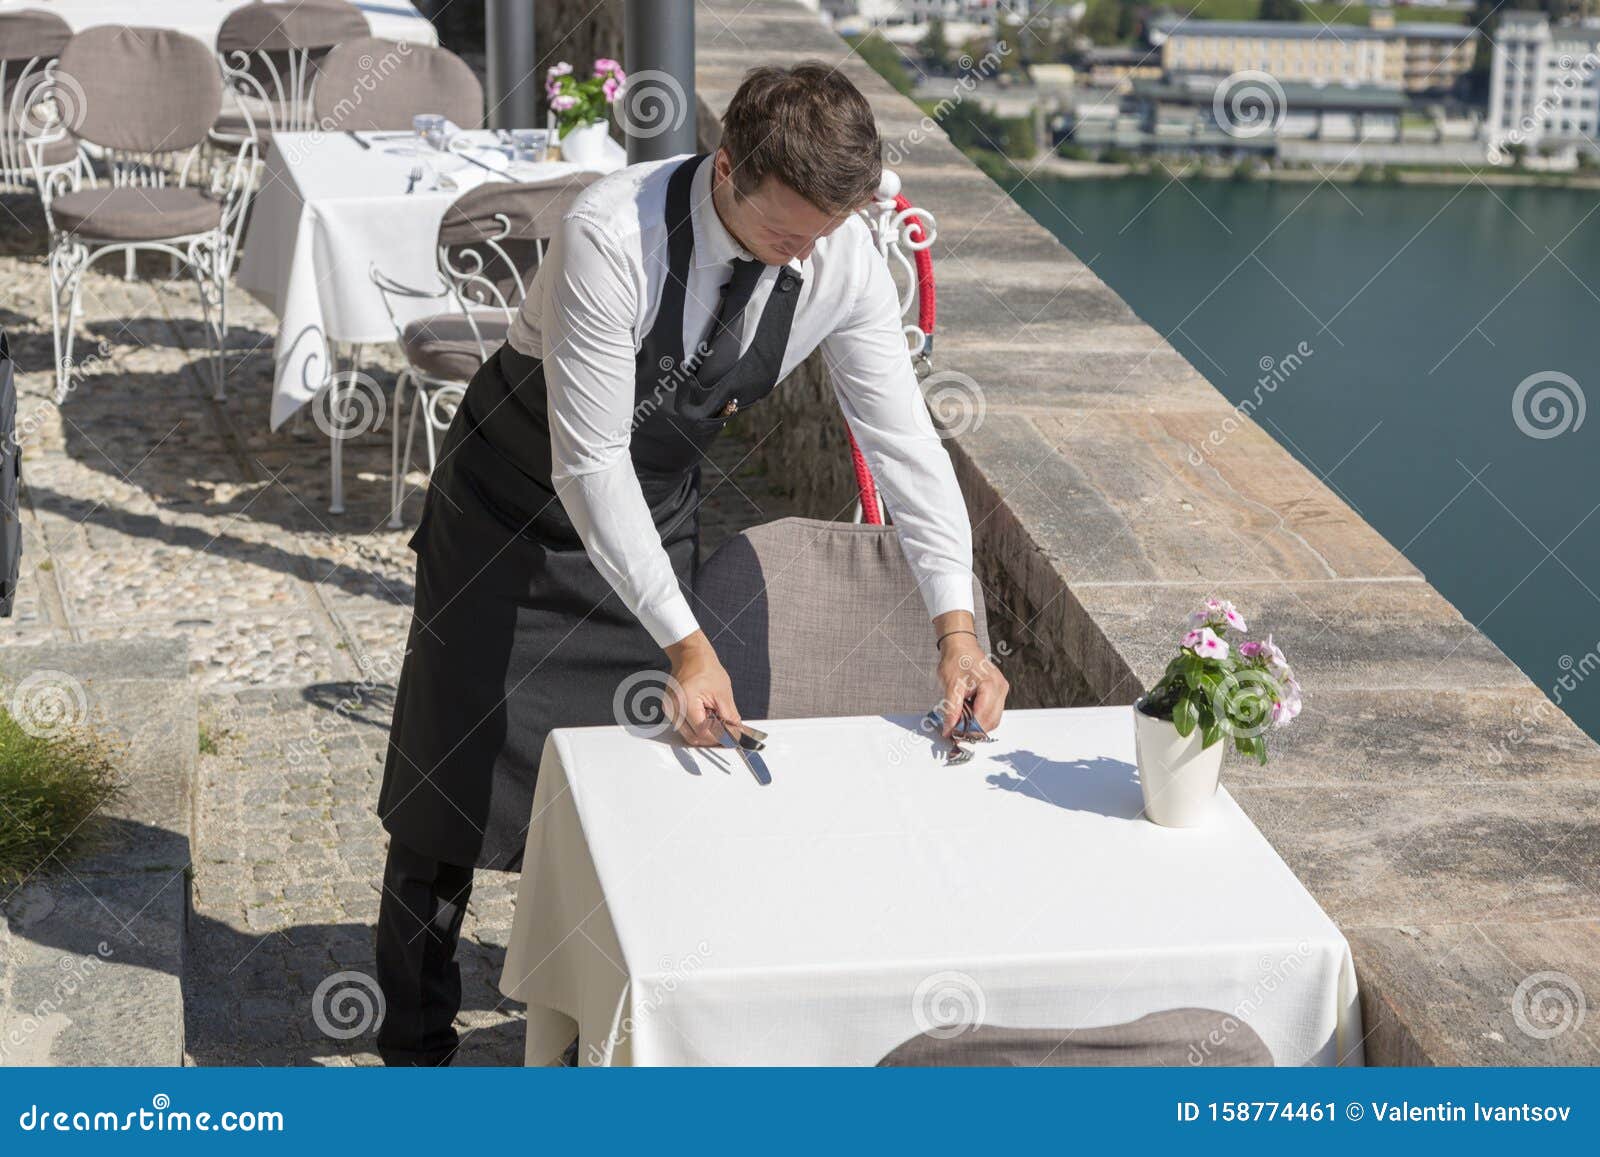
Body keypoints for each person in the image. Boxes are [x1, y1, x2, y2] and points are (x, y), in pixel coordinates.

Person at [373, 62, 1010, 1065]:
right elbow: (587, 462)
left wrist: (956, 631)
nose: (804, 252)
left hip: (653, 509)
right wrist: (687, 640)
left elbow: (906, 451)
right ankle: (412, 1045)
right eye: (784, 232)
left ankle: (599, 1027)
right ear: (727, 168)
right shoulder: (609, 231)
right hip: (510, 498)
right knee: (451, 784)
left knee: (643, 787)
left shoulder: (835, 260)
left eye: (823, 234)